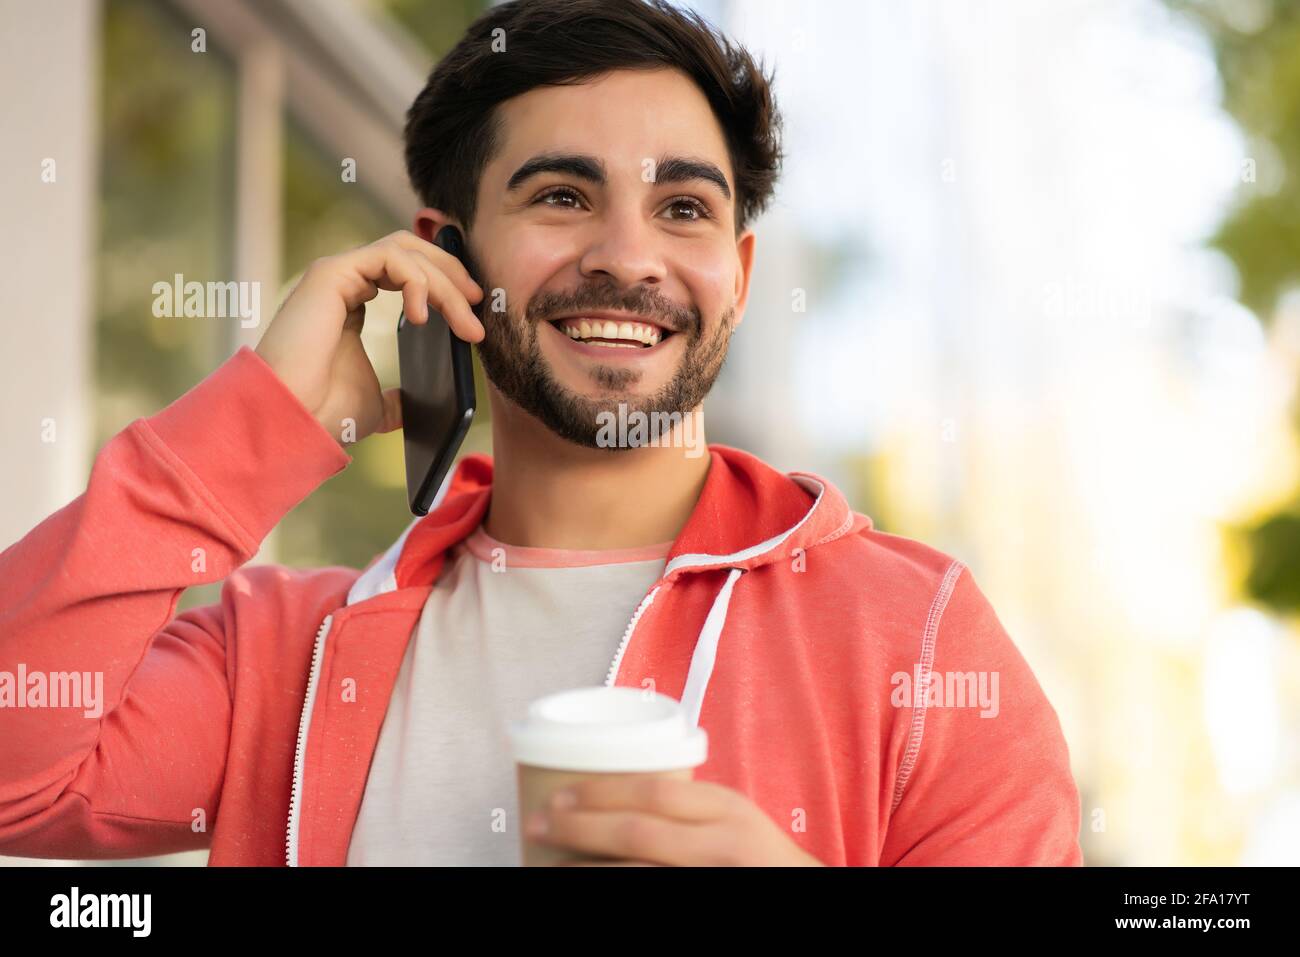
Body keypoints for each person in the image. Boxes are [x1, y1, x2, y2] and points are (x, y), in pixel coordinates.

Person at [0, 0, 1083, 866]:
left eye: (685, 208)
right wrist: (254, 426)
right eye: (562, 196)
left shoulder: (917, 641)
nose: (627, 256)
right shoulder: (281, 655)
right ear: (448, 257)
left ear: (740, 280)